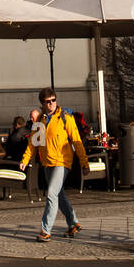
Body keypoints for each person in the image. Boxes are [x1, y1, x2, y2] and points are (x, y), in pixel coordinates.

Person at [20, 88, 89, 242]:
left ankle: (46, 230)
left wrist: (84, 163)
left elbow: (77, 141)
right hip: (47, 162)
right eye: (48, 101)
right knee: (59, 195)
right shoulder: (39, 122)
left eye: (53, 100)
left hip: (62, 162)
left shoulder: (65, 117)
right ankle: (73, 223)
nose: (51, 104)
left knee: (51, 193)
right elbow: (33, 144)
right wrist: (25, 160)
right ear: (42, 104)